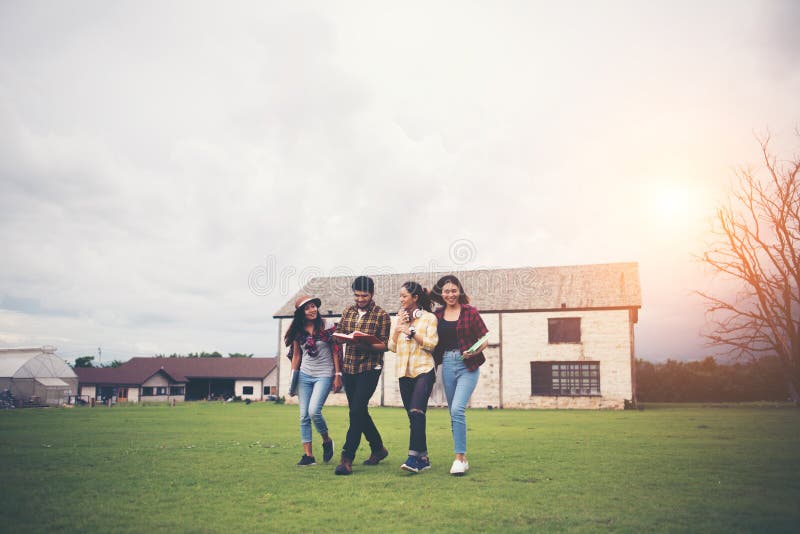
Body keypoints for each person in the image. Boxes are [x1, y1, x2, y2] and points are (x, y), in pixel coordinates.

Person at [333, 276, 392, 475]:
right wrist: (339, 336)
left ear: (372, 294)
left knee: (356, 411)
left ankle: (346, 458)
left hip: (369, 367)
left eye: (364, 295)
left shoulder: (381, 315)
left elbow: (384, 345)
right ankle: (378, 448)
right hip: (349, 367)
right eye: (357, 295)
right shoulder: (347, 311)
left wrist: (364, 344)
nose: (360, 299)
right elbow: (340, 333)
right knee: (359, 411)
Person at [431, 275, 489, 476]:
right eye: (446, 291)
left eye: (454, 290)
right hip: (447, 363)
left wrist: (475, 351)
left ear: (460, 291)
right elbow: (425, 299)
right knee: (453, 413)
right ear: (442, 293)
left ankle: (458, 458)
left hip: (468, 365)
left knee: (457, 409)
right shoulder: (437, 314)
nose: (450, 294)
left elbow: (484, 338)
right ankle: (463, 459)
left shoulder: (470, 312)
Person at [284, 295, 342, 466]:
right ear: (301, 312)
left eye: (313, 306)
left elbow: (336, 350)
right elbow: (296, 355)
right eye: (308, 308)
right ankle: (308, 456)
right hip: (304, 375)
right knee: (303, 416)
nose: (312, 310)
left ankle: (326, 440)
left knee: (314, 411)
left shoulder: (328, 326)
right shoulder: (298, 330)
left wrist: (338, 375)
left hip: (324, 374)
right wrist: (292, 379)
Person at [388, 281, 438, 473]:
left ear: (415, 298)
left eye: (404, 296)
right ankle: (423, 457)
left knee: (417, 411)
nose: (401, 300)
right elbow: (392, 347)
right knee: (413, 416)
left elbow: (431, 344)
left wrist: (411, 331)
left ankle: (413, 458)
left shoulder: (429, 318)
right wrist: (398, 328)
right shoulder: (398, 319)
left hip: (424, 370)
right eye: (400, 296)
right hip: (403, 371)